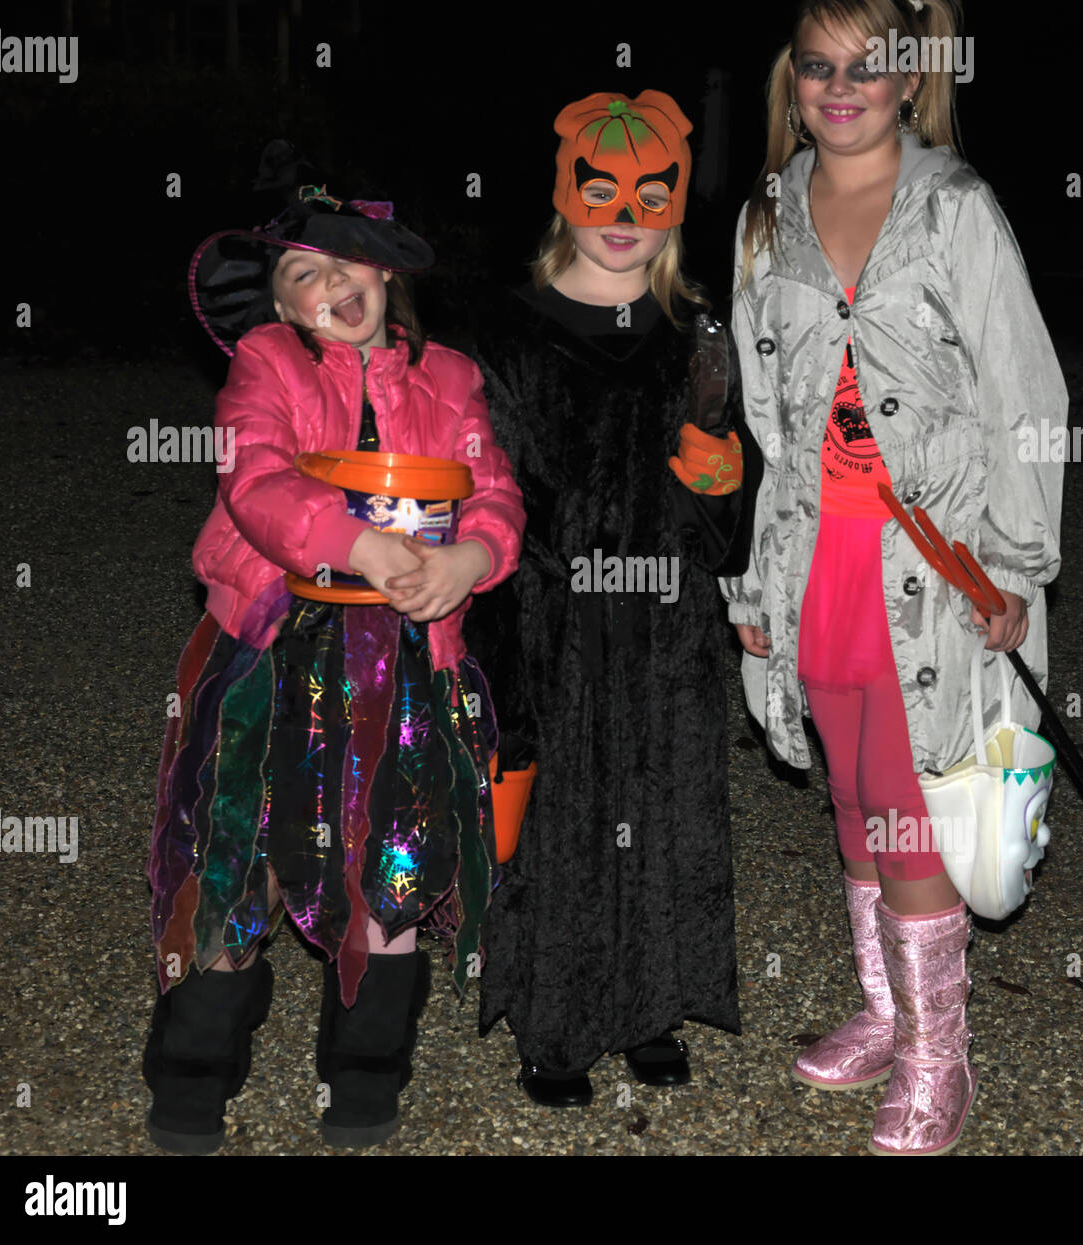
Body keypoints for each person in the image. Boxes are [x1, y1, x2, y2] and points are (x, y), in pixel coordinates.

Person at [723, 0, 1066, 1155]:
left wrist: (1015, 564)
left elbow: (1027, 399)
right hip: (819, 557)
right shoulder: (765, 221)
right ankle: (885, 1012)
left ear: (913, 82)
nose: (840, 86)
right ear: (790, 80)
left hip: (932, 567)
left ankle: (938, 1061)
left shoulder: (956, 210)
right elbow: (768, 426)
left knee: (917, 808)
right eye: (816, 66)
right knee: (857, 800)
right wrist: (762, 585)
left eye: (868, 68)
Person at [143, 156, 524, 1153]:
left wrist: (473, 557)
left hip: (402, 661)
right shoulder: (266, 369)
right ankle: (193, 1074)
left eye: (345, 261)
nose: (330, 284)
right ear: (278, 306)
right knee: (236, 864)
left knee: (391, 870)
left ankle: (365, 1074)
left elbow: (492, 490)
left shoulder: (450, 376)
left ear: (386, 273)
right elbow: (255, 477)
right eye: (301, 275)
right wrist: (354, 542)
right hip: (273, 645)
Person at [464, 91, 753, 1106]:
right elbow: (488, 497)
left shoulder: (692, 331)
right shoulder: (509, 337)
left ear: (674, 206)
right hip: (558, 624)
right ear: (565, 198)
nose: (622, 213)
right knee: (568, 815)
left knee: (661, 802)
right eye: (600, 190)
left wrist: (718, 469)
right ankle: (558, 1020)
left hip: (667, 620)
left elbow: (727, 506)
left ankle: (649, 1010)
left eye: (648, 193)